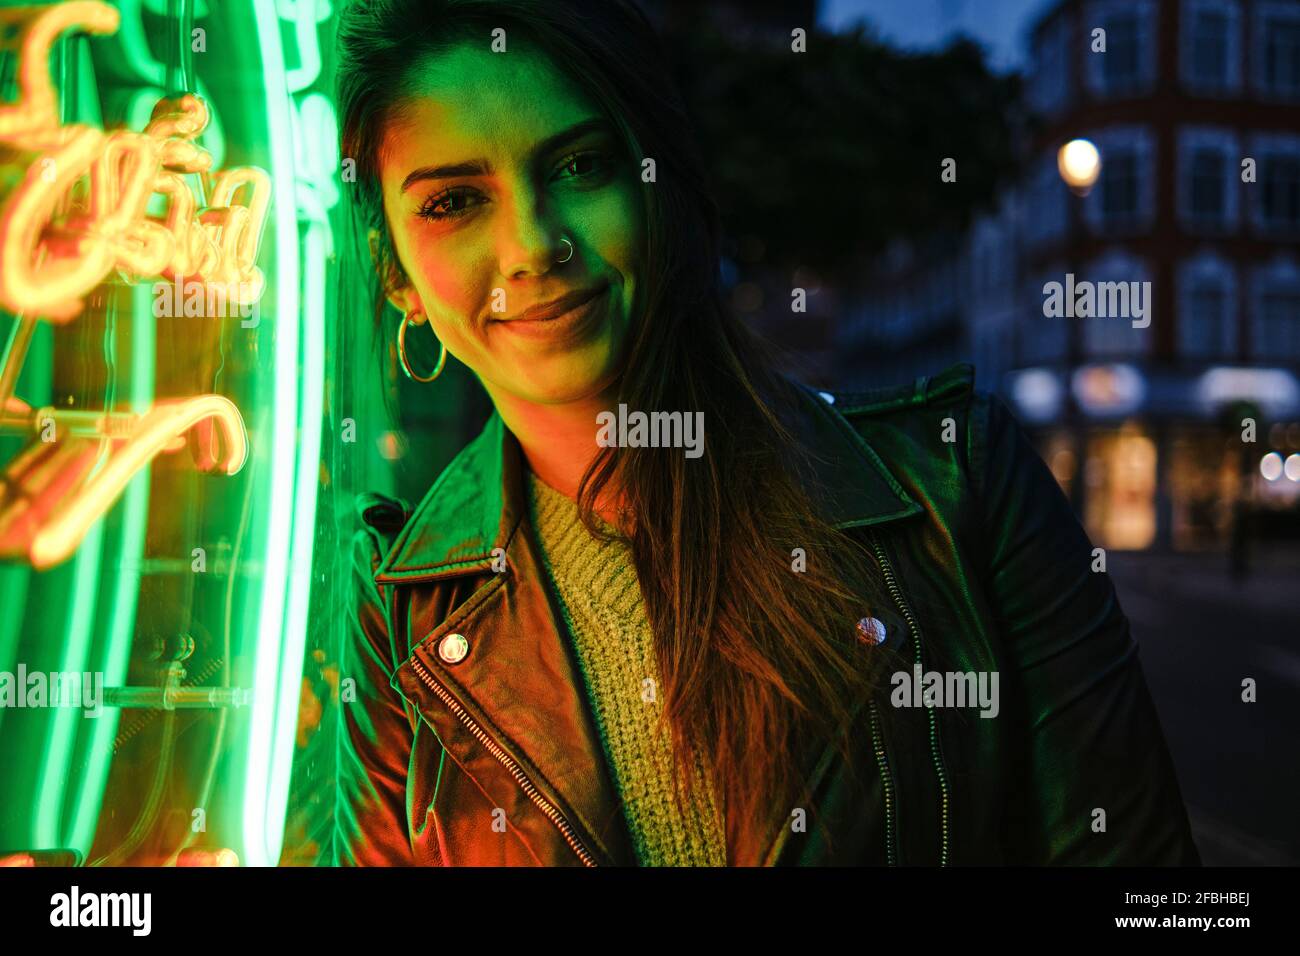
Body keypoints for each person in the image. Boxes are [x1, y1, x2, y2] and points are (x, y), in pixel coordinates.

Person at [331, 0, 1199, 866]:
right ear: (395, 274)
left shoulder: (959, 485)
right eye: (451, 201)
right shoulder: (398, 608)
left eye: (581, 164)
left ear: (659, 186)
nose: (532, 244)